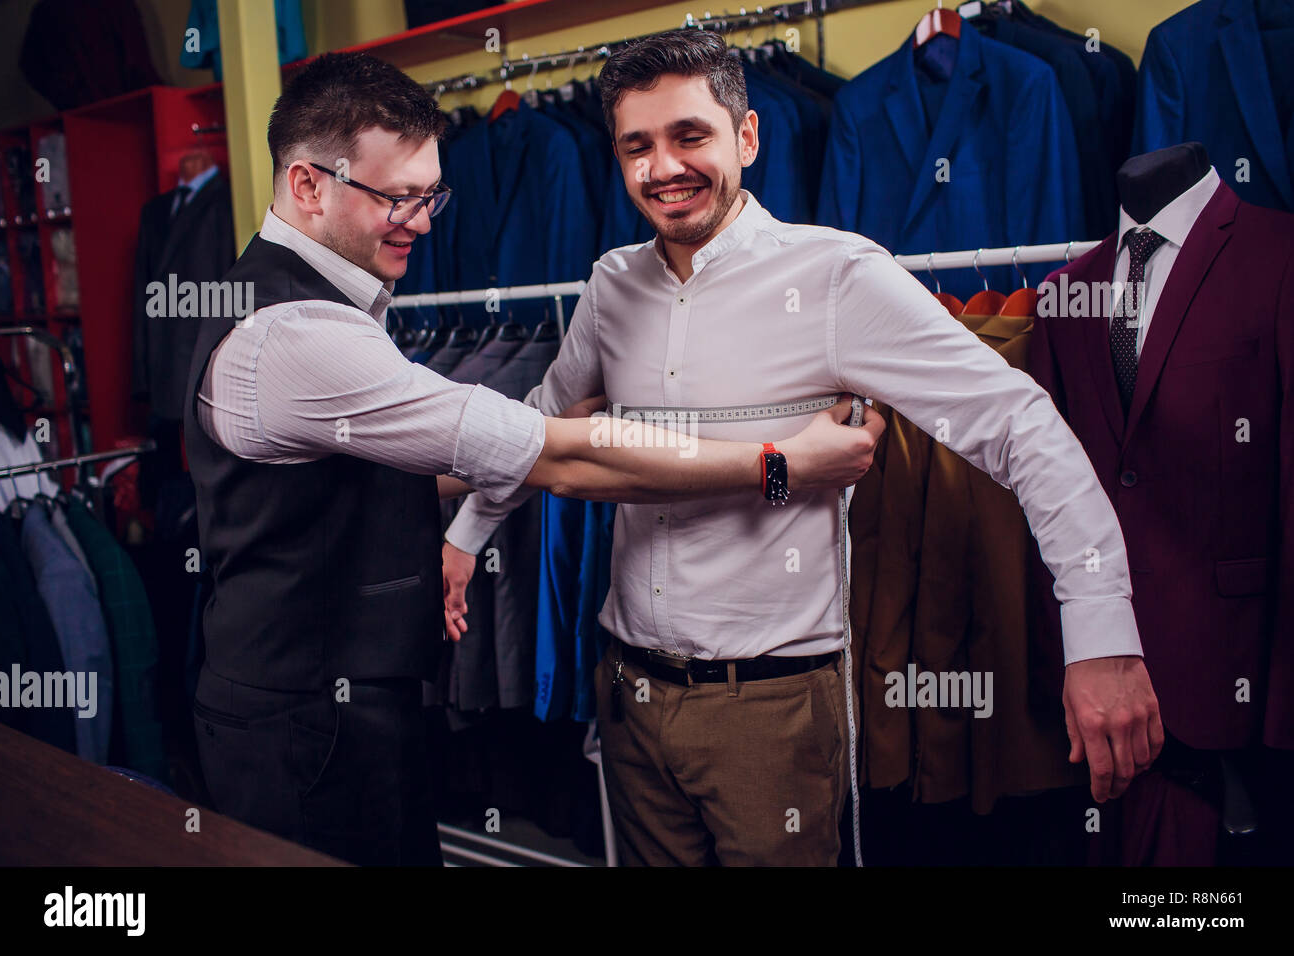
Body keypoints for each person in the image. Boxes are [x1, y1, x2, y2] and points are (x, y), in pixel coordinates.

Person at [442, 29, 1164, 866]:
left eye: (689, 136)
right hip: (630, 697)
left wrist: (1104, 635)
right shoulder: (609, 286)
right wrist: (466, 536)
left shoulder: (834, 279)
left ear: (746, 137)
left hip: (770, 715)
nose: (662, 167)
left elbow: (1019, 425)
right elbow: (541, 421)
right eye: (638, 146)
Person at [182, 51, 879, 867]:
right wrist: (781, 465)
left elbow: (370, 470)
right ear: (308, 186)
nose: (425, 221)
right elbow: (562, 455)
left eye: (431, 194)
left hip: (335, 711)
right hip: (303, 730)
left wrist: (456, 536)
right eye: (398, 198)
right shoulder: (299, 336)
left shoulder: (304, 303)